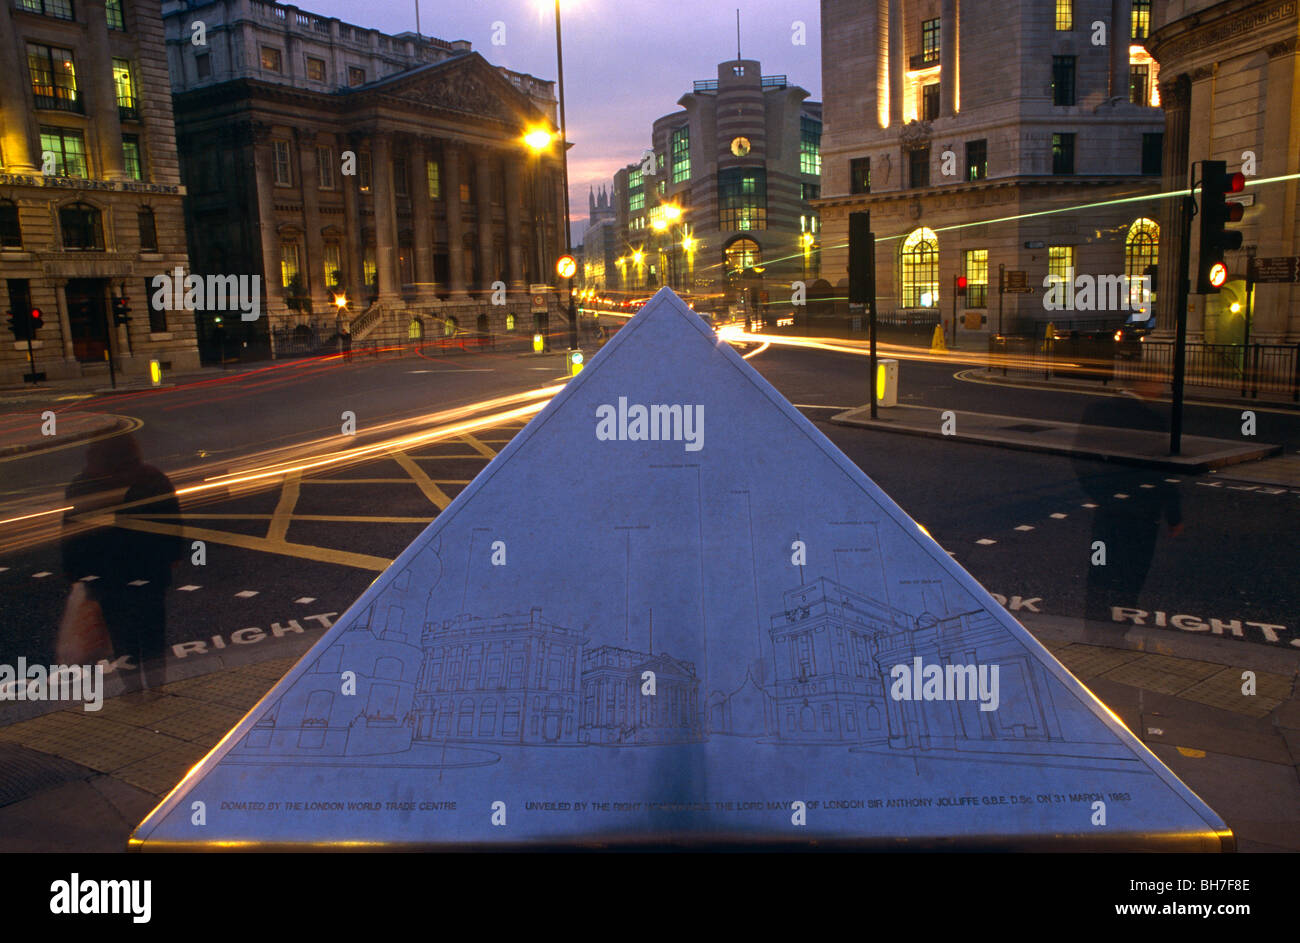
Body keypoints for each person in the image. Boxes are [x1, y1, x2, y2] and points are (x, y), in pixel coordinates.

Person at [61, 433, 183, 693]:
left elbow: (72, 532)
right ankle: (156, 685)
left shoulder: (83, 485)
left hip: (107, 573)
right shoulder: (152, 479)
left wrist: (74, 570)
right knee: (152, 628)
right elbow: (171, 522)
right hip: (149, 568)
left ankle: (133, 688)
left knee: (121, 632)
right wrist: (173, 555)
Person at [1074, 378, 1183, 624]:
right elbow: (1162, 471)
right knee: (1132, 571)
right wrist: (1174, 515)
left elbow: (1080, 454)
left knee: (1100, 565)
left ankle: (1093, 626)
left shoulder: (1097, 410)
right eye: (1158, 382)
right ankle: (1119, 628)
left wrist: (1095, 492)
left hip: (1106, 509)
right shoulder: (1153, 419)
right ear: (1143, 383)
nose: (1162, 388)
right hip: (1143, 511)